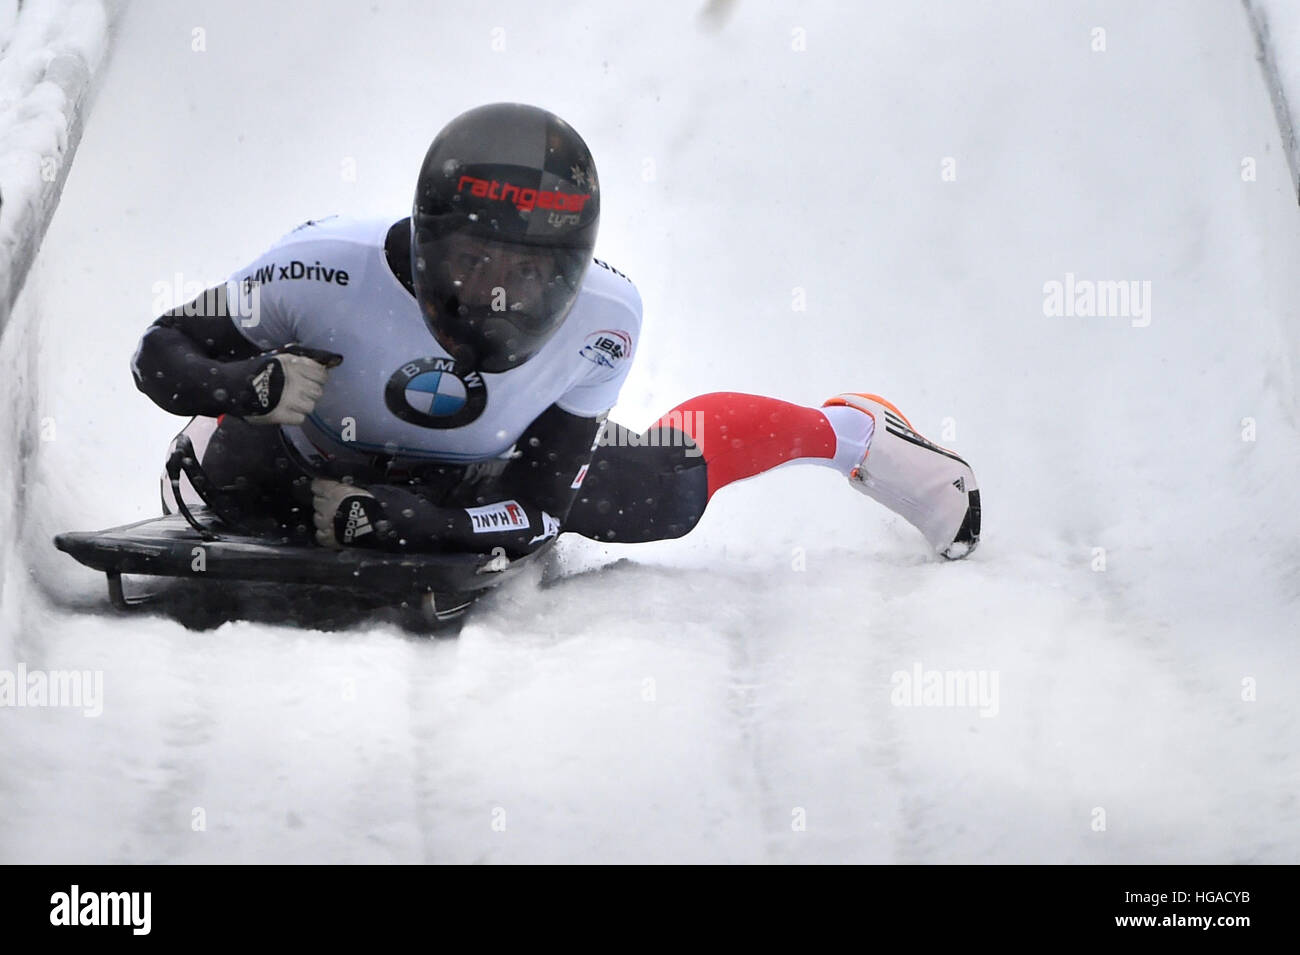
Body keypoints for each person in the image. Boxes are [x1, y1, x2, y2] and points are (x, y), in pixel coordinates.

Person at [131, 102, 980, 571]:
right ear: (428, 241)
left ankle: (853, 432)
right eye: (474, 262)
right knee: (238, 487)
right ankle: (232, 447)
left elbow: (539, 508)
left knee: (666, 496)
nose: (500, 296)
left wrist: (426, 525)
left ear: (575, 266)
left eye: (532, 273)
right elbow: (160, 348)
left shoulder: (608, 320)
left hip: (486, 465)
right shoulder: (318, 266)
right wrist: (244, 390)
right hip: (301, 451)